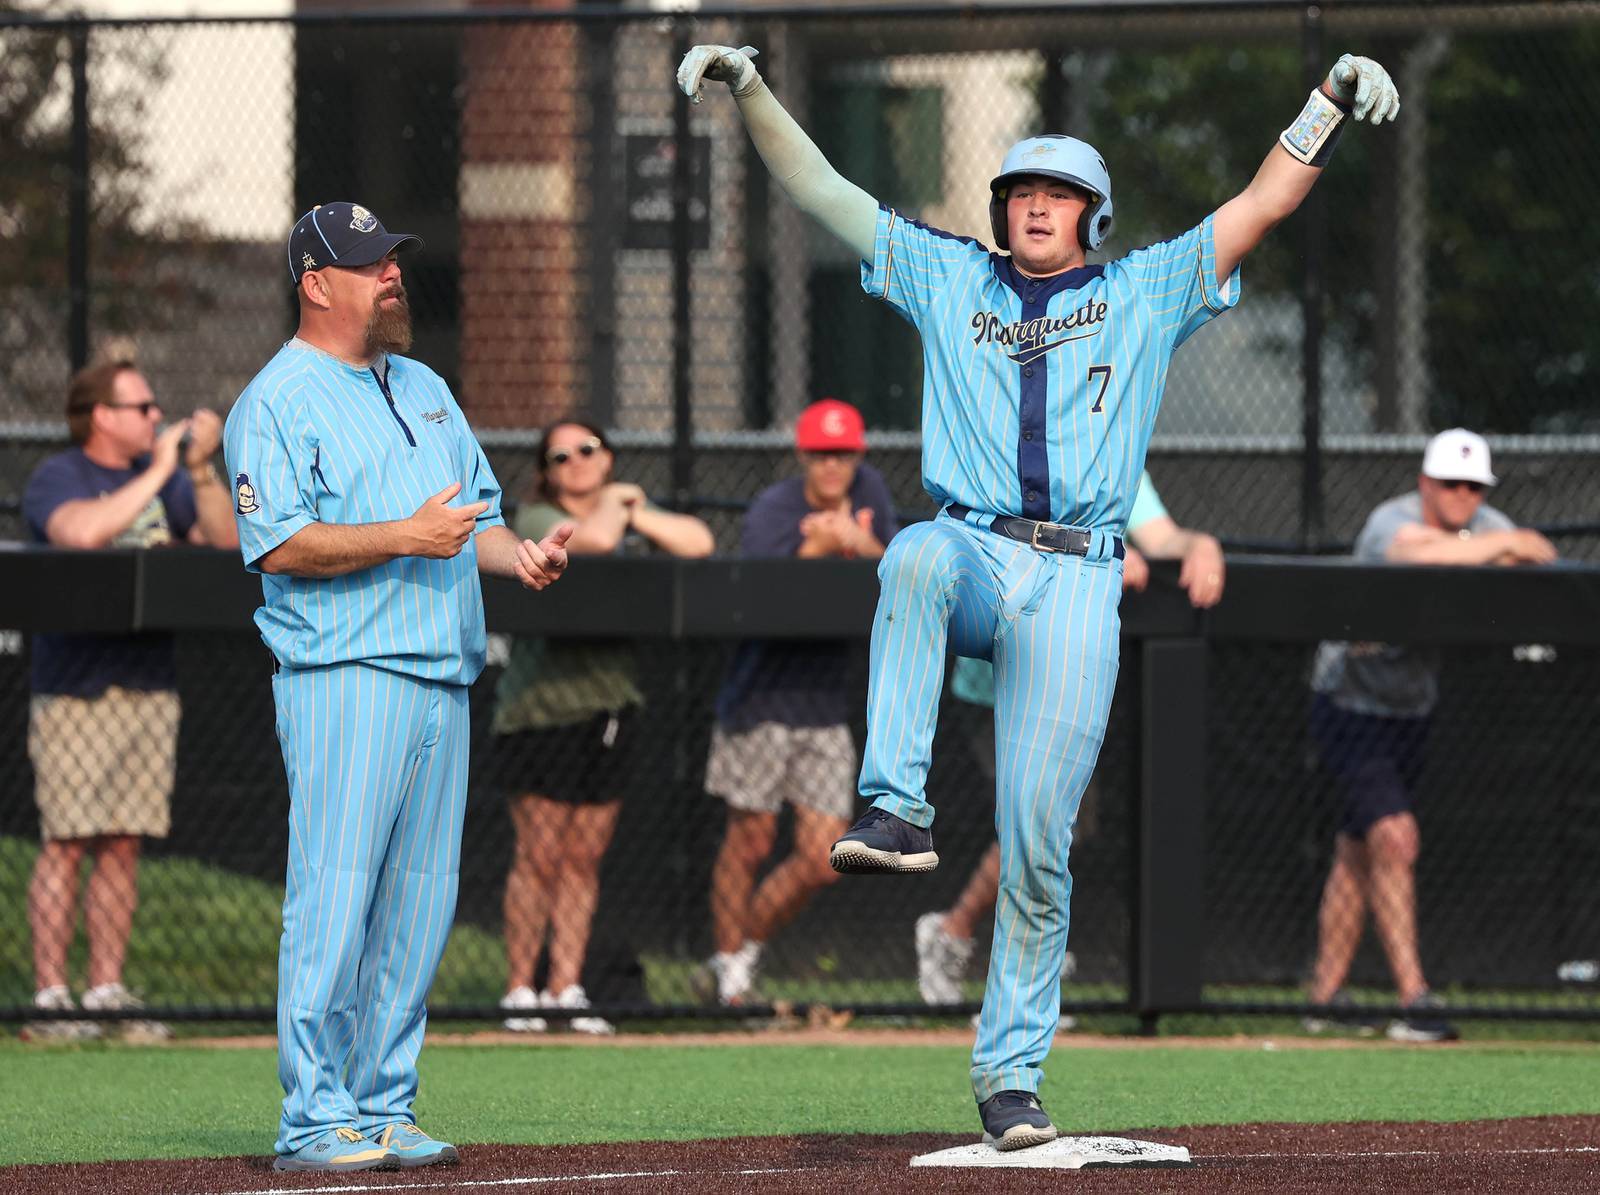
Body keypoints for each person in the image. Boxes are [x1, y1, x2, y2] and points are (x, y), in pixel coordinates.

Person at [679, 43, 1399, 1149]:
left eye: (1057, 194)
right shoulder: (947, 271)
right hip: (973, 546)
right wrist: (755, 88)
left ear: (1092, 215)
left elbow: (1259, 203)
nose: (1033, 208)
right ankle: (897, 805)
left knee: (1037, 842)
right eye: (1019, 191)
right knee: (912, 553)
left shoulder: (1145, 288)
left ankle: (1009, 1078)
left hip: (1076, 572)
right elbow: (823, 189)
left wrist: (1325, 105)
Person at [223, 202, 570, 1173]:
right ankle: (312, 1118)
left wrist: (521, 555)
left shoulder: (420, 383)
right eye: (368, 263)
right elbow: (279, 543)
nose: (390, 275)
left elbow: (476, 519)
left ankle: (383, 1105)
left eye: (392, 260)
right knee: (335, 898)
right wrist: (403, 537)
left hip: (441, 673)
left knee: (418, 905)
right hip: (345, 675)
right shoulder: (275, 400)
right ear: (315, 282)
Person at [916, 472, 1224, 1014]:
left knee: (1061, 823)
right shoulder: (1015, 440)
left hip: (1063, 684)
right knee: (1035, 822)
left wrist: (1201, 546)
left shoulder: (1116, 451)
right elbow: (996, 542)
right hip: (993, 685)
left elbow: (1163, 537)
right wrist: (1096, 555)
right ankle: (970, 942)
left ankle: (992, 948)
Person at [1305, 428, 1556, 1043]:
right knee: (1396, 838)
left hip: (1412, 709)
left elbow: (1543, 556)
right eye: (1451, 484)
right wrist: (1503, 546)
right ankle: (1414, 999)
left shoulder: (1486, 524)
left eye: (1474, 487)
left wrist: (1511, 543)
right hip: (1350, 701)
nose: (1463, 496)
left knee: (1358, 850)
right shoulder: (1390, 519)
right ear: (1425, 483)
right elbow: (1411, 551)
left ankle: (1323, 997)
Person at [21, 353, 237, 1044]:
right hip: (76, 688)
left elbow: (228, 540)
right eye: (142, 407)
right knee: (68, 841)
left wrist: (198, 468)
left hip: (149, 683)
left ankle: (106, 990)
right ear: (101, 416)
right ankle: (53, 996)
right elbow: (81, 534)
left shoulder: (175, 480)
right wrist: (158, 469)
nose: (156, 417)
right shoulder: (60, 475)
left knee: (122, 844)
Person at [493, 416, 713, 1035]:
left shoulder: (625, 510)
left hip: (609, 710)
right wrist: (619, 510)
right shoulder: (535, 518)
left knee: (583, 858)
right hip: (540, 712)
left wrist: (634, 510)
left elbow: (697, 542)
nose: (575, 463)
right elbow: (587, 543)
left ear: (609, 456)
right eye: (559, 457)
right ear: (546, 471)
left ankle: (565, 987)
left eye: (586, 450)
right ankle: (520, 991)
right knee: (539, 854)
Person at [703, 398, 899, 1006]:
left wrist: (856, 542)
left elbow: (896, 566)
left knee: (823, 857)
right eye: (822, 453)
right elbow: (764, 592)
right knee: (750, 840)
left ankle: (739, 949)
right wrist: (818, 548)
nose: (833, 465)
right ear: (804, 456)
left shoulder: (872, 493)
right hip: (759, 696)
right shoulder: (774, 508)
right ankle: (731, 974)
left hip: (823, 701)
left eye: (843, 453)